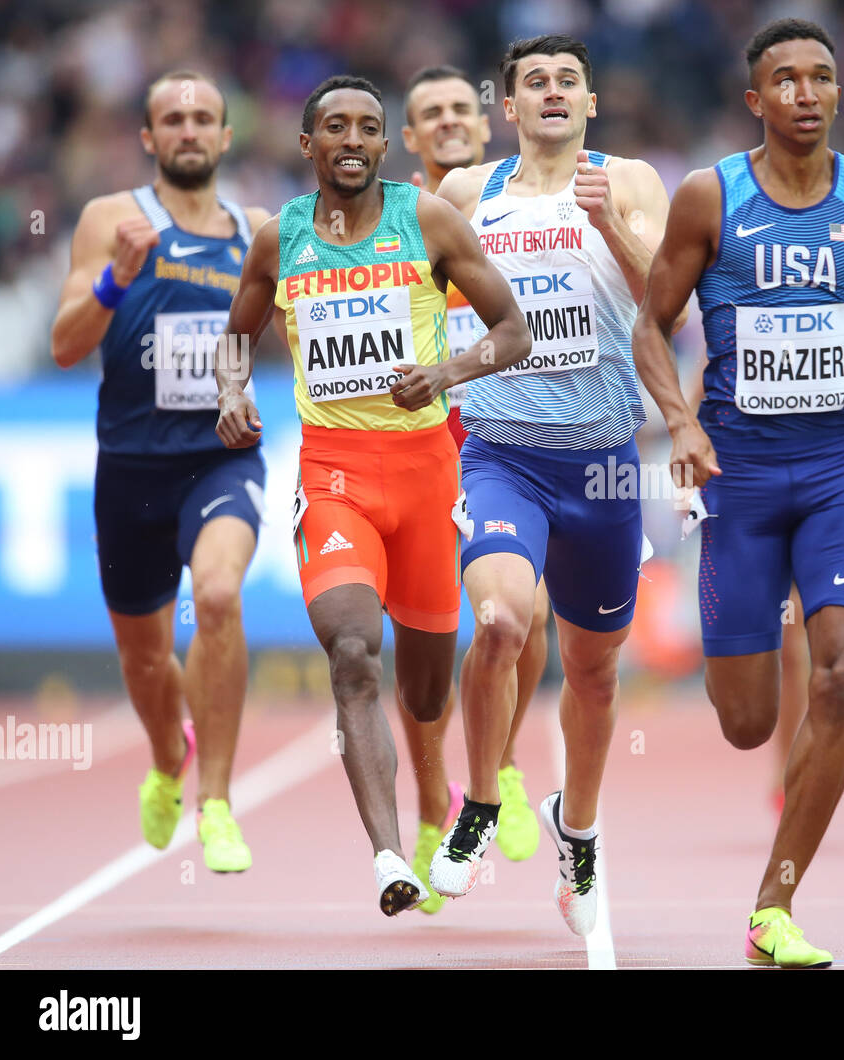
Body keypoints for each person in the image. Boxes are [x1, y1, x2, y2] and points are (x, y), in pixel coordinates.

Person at [632, 18, 844, 967]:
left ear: (839, 92)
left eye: (822, 76)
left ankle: (775, 904)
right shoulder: (709, 198)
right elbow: (651, 327)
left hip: (840, 468)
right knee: (746, 721)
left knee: (841, 676)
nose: (807, 93)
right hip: (737, 472)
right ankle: (755, 743)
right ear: (756, 101)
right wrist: (682, 423)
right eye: (787, 79)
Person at [214, 75, 531, 915]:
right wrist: (230, 391)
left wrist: (445, 371)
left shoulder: (425, 219)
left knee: (425, 696)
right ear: (308, 145)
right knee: (353, 654)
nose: (351, 139)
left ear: (385, 147)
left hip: (427, 476)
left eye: (368, 128)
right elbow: (236, 335)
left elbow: (513, 329)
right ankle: (390, 855)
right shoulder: (277, 238)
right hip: (334, 476)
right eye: (335, 127)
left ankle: (455, 795)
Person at [426, 34, 679, 937]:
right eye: (535, 82)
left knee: (595, 673)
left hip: (606, 460)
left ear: (592, 102)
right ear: (510, 107)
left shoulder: (634, 182)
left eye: (570, 79)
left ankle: (577, 829)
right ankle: (482, 805)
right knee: (498, 621)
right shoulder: (467, 195)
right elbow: (410, 296)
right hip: (503, 453)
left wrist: (610, 223)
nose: (554, 92)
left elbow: (669, 303)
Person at [51, 71, 269, 873]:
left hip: (222, 456)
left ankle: (216, 802)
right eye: (171, 119)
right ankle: (164, 757)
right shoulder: (111, 220)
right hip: (132, 465)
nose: (187, 130)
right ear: (147, 138)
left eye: (202, 118)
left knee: (217, 595)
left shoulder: (259, 231)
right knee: (146, 658)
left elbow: (318, 317)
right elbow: (66, 345)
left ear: (224, 136)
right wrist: (117, 278)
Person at [399, 66, 547, 911]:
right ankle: (430, 809)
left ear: (486, 125)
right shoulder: (388, 224)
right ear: (411, 140)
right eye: (430, 115)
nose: (450, 121)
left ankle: (506, 765)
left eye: (462, 108)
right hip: (418, 440)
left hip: (506, 434)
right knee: (424, 630)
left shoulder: (516, 207)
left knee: (524, 614)